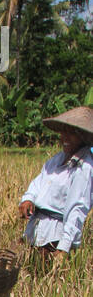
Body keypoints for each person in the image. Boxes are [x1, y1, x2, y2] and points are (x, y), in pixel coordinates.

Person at [19, 106, 93, 260]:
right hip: (36, 230)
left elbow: (77, 209)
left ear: (83, 136)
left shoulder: (84, 168)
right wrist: (28, 198)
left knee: (43, 277)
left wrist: (64, 247)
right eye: (63, 131)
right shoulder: (57, 159)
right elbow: (39, 181)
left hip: (55, 237)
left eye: (71, 132)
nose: (65, 137)